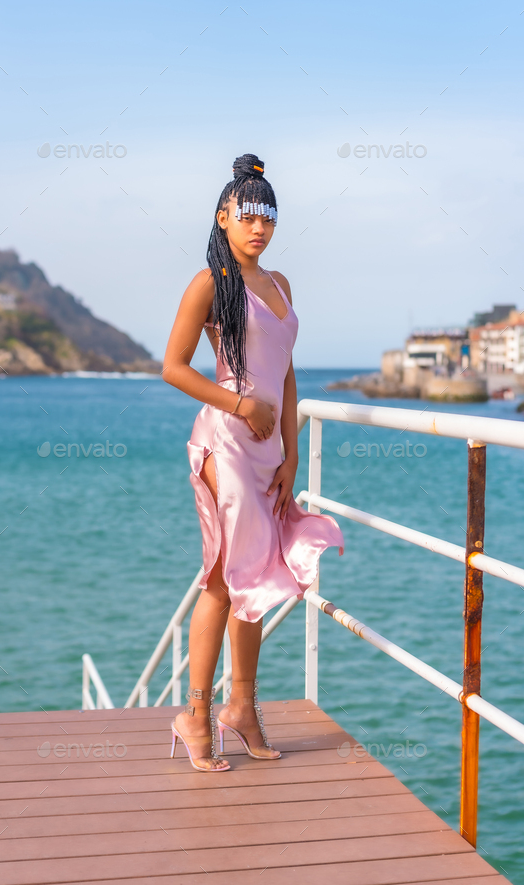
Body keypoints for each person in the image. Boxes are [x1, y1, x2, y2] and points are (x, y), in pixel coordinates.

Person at [163, 153, 344, 772]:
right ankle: (194, 713)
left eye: (269, 217)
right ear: (224, 216)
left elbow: (287, 375)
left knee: (258, 578)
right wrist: (242, 405)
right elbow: (174, 367)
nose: (259, 227)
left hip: (270, 451)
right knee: (222, 576)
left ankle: (241, 708)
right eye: (248, 215)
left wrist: (291, 455)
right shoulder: (212, 283)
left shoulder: (281, 285)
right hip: (226, 443)